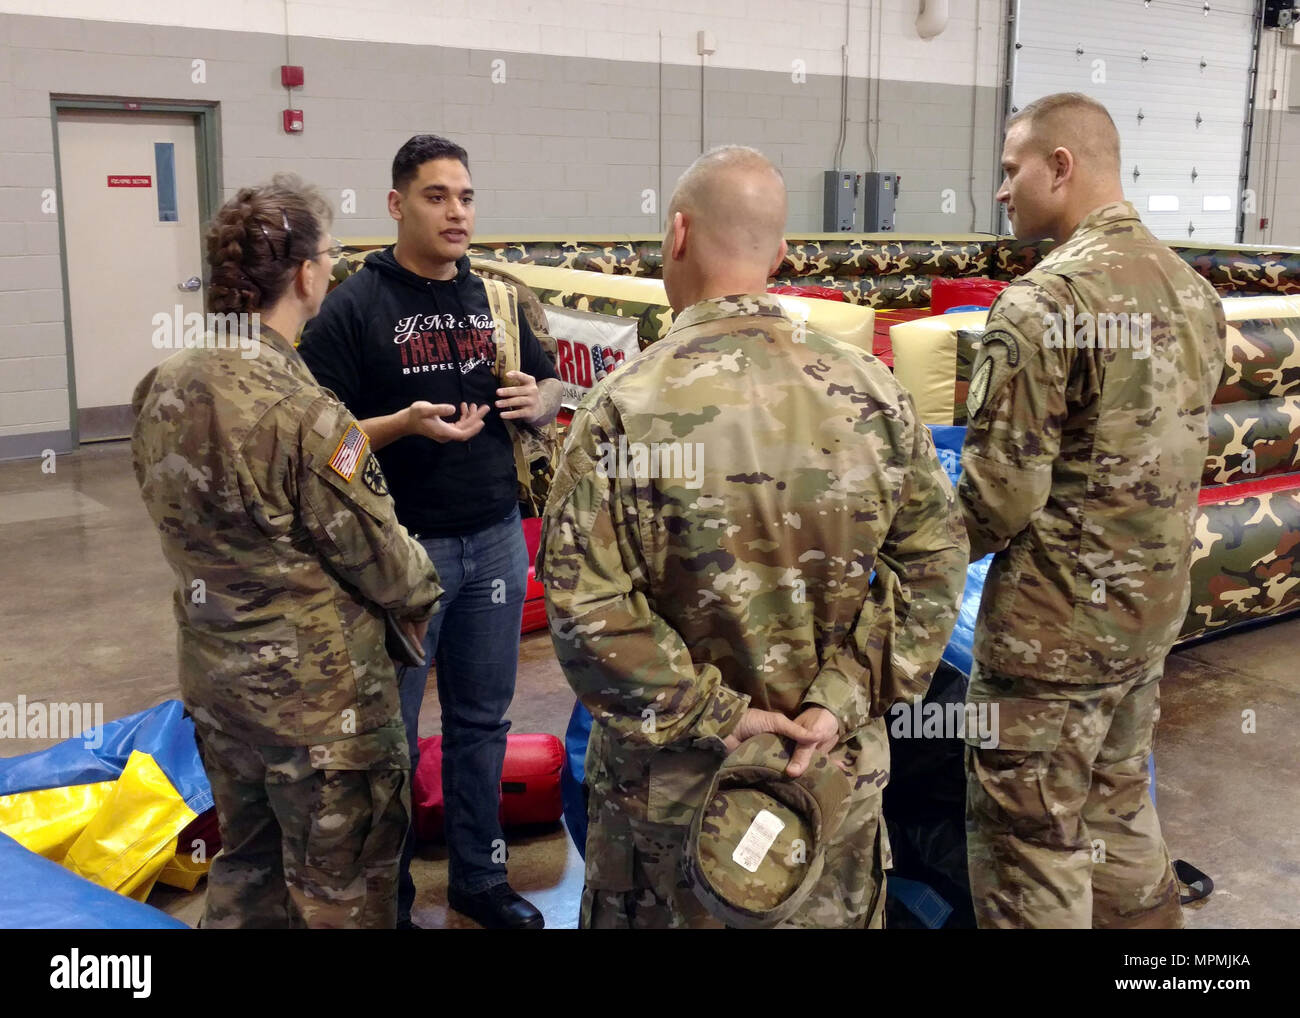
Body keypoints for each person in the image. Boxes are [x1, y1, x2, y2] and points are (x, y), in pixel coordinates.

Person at [538, 145, 969, 929]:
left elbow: (582, 608)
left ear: (677, 234)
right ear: (780, 254)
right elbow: (936, 571)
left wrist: (716, 715)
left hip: (671, 808)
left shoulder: (623, 406)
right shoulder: (877, 394)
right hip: (825, 787)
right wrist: (839, 698)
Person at [131, 173, 442, 929]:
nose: (333, 270)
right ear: (304, 274)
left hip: (216, 685)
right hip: (319, 709)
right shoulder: (305, 413)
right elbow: (386, 564)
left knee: (244, 867)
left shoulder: (160, 388)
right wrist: (426, 584)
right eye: (330, 256)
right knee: (343, 892)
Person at [958, 93, 1227, 928]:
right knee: (1114, 810)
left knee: (1031, 841)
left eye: (1012, 171)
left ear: (1060, 167)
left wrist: (884, 546)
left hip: (1053, 640)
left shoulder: (1045, 304)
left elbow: (995, 499)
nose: (1003, 192)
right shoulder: (1192, 293)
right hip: (1147, 618)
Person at [299, 135, 561, 930]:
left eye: (467, 197)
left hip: (495, 537)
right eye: (436, 196)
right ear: (396, 205)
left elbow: (554, 381)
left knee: (483, 721)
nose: (456, 212)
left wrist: (543, 400)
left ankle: (481, 880)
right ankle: (395, 897)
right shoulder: (352, 307)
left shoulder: (503, 299)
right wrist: (400, 426)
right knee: (391, 736)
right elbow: (321, 447)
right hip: (397, 555)